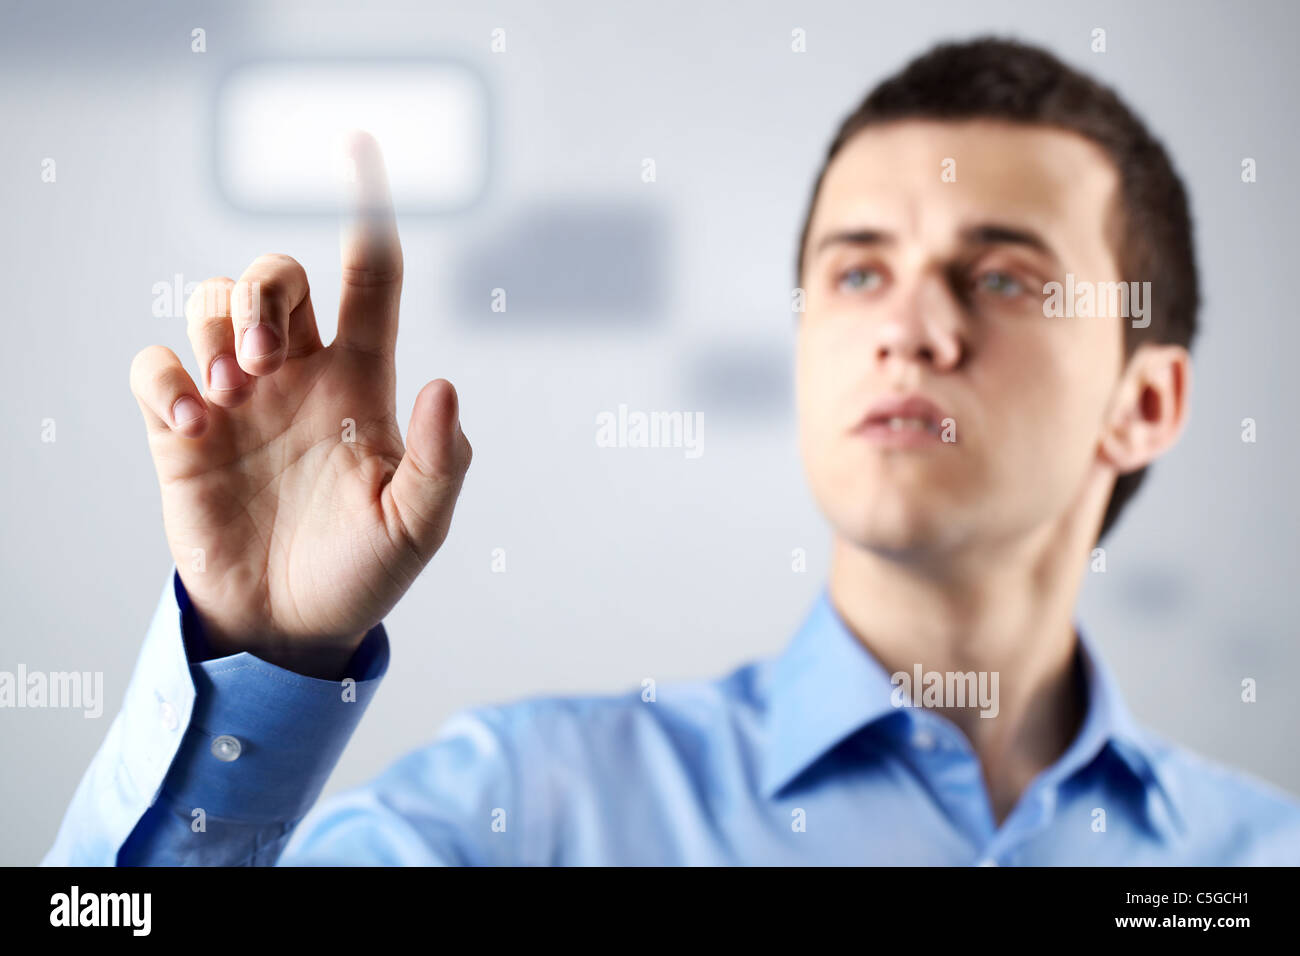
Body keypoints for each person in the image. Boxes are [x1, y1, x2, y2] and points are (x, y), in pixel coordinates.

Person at [43, 37, 1300, 865]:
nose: (910, 326)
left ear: (1144, 401)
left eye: (1005, 276)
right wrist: (260, 652)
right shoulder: (524, 810)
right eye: (857, 271)